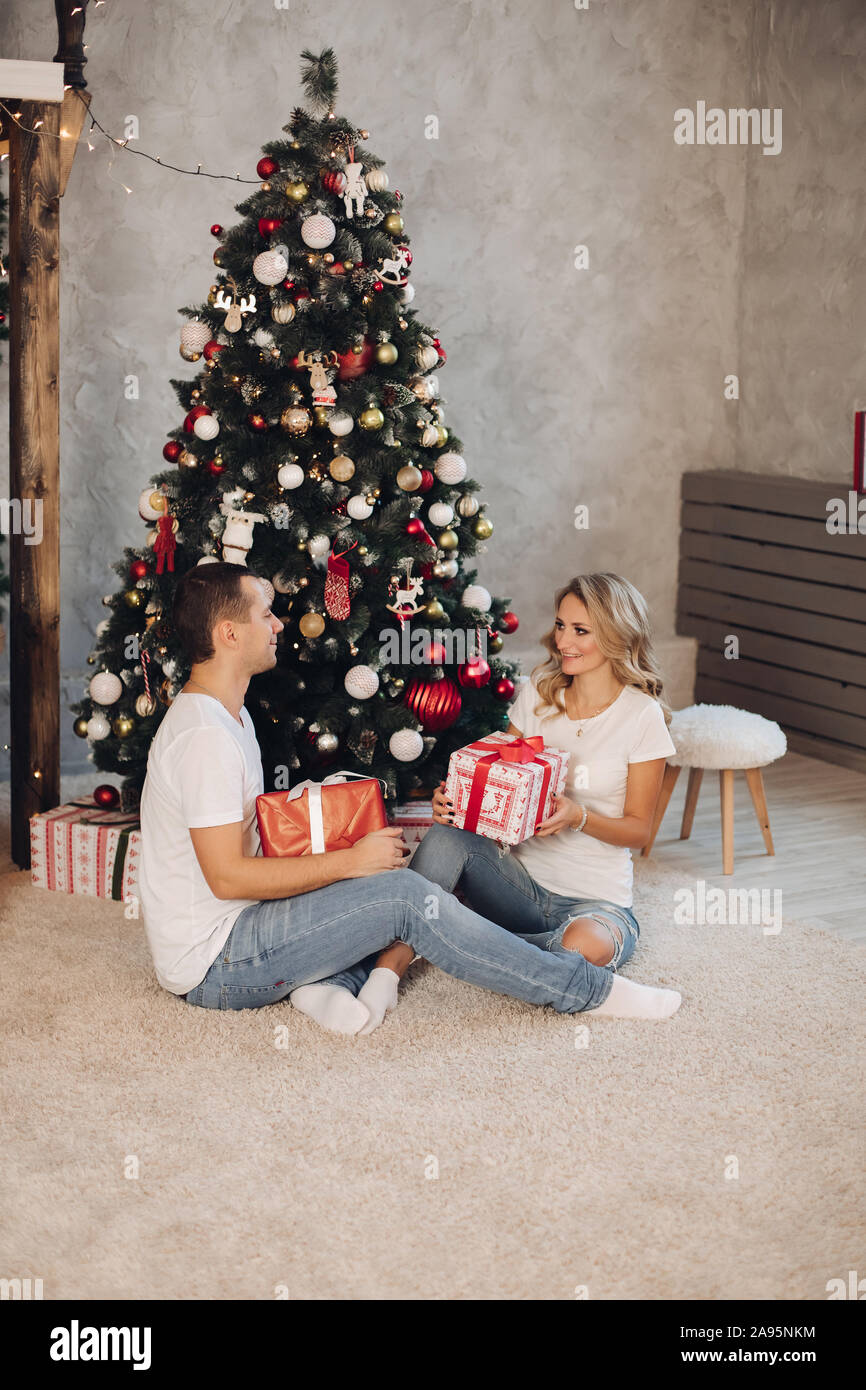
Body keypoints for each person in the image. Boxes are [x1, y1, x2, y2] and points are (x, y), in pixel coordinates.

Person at [137, 563, 681, 1038]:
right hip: (218, 961)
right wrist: (351, 863)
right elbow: (228, 878)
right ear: (230, 634)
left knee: (378, 886)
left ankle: (326, 984)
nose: (279, 624)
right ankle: (586, 991)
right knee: (399, 894)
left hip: (243, 928)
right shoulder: (205, 738)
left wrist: (345, 859)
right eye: (266, 615)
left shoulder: (227, 716)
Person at [408, 572, 681, 1015]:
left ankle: (473, 943)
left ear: (615, 636)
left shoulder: (641, 715)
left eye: (580, 630)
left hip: (597, 904)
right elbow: (495, 776)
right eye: (560, 625)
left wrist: (579, 816)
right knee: (443, 838)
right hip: (518, 888)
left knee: (581, 946)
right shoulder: (539, 693)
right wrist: (456, 800)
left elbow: (639, 831)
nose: (563, 642)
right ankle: (387, 973)